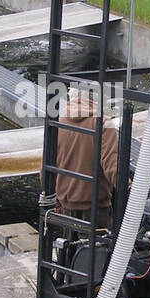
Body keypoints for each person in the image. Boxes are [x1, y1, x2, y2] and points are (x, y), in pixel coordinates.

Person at [54, 87, 120, 222]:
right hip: (95, 205)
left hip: (65, 204)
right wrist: (131, 189)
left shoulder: (58, 122)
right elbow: (111, 165)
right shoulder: (103, 124)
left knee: (68, 242)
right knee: (98, 242)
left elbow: (46, 165)